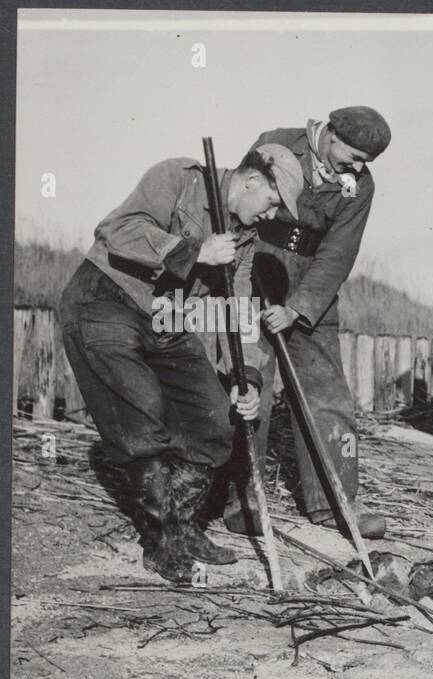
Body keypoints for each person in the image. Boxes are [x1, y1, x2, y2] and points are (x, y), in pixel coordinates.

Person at [60, 146, 303, 582]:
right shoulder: (178, 177)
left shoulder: (245, 239)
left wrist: (245, 376)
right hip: (104, 301)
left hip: (167, 318)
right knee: (142, 423)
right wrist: (192, 251)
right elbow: (119, 231)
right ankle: (160, 544)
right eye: (271, 202)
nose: (271, 215)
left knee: (213, 420)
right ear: (251, 181)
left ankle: (183, 528)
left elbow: (238, 310)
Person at [224, 106, 392, 540]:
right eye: (352, 156)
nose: (356, 167)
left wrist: (298, 309)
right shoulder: (276, 138)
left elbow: (339, 252)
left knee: (327, 394)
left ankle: (337, 503)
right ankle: (244, 500)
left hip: (312, 278)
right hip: (256, 261)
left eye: (363, 162)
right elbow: (240, 202)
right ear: (330, 134)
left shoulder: (363, 186)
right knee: (250, 380)